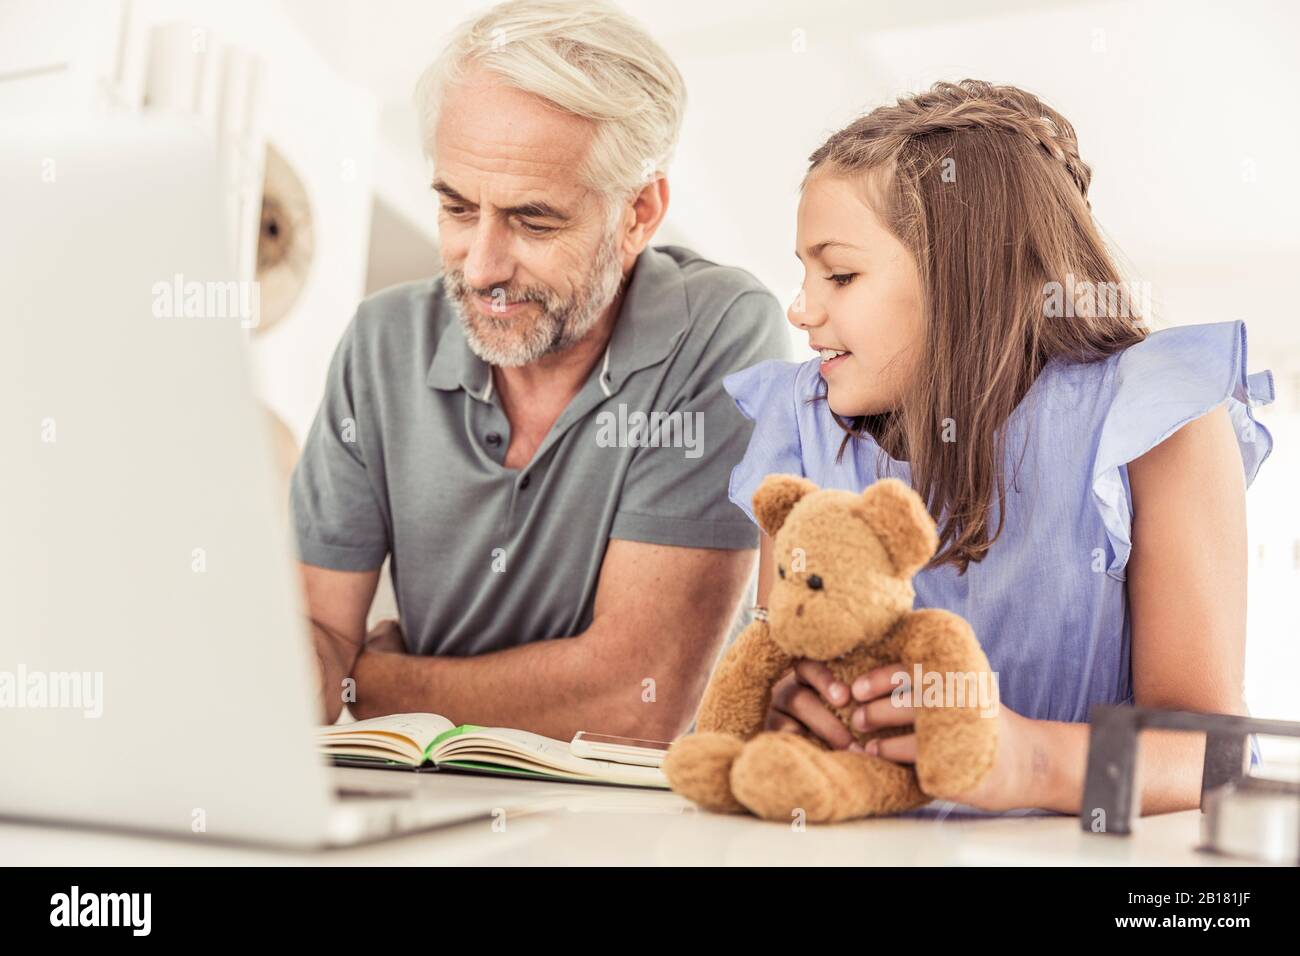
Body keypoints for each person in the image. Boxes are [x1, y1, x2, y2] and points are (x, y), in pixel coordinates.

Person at [725, 80, 1274, 814]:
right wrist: (786, 715)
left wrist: (1028, 761)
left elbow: (1215, 757)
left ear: (965, 276)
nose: (800, 307)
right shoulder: (800, 421)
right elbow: (774, 670)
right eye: (803, 272)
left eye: (841, 274)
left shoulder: (1154, 420)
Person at [292, 0, 788, 739]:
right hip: (419, 804)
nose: (482, 268)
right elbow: (310, 649)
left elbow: (635, 701)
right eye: (459, 210)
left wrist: (372, 682)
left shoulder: (721, 329)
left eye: (533, 220)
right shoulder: (380, 342)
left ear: (639, 214)